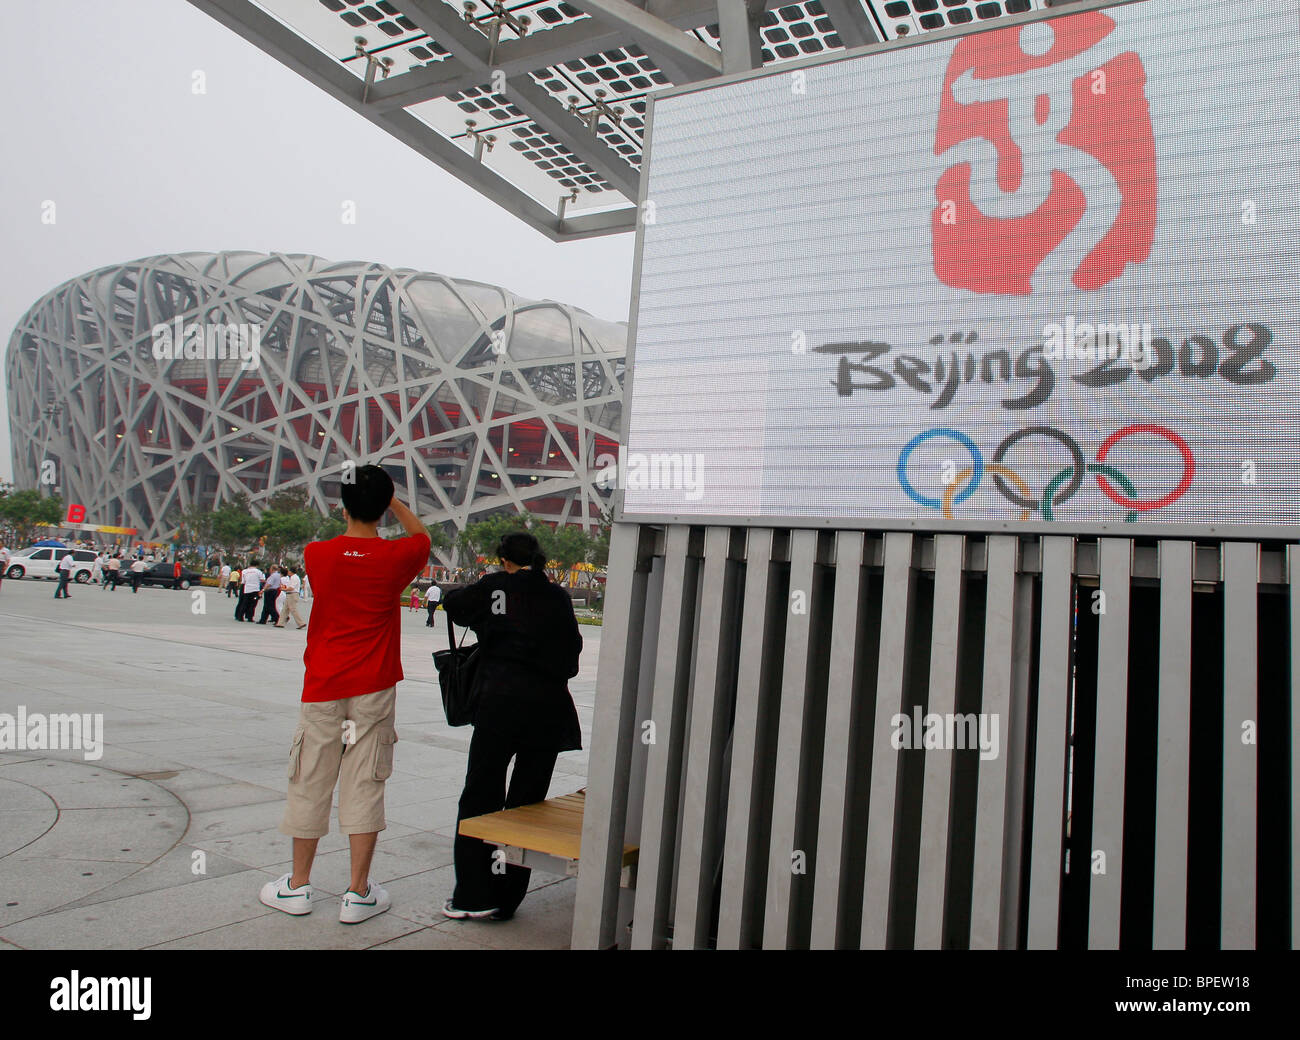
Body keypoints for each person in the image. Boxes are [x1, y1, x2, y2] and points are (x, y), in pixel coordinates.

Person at [259, 465, 429, 924]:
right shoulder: (398, 558)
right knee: (365, 783)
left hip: (323, 686)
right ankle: (357, 894)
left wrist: (372, 499)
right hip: (373, 688)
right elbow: (422, 535)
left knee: (310, 778)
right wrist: (391, 500)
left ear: (341, 506)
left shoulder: (319, 554)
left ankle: (297, 887)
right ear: (384, 508)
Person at [441, 531, 582, 921]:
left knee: (480, 794)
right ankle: (507, 897)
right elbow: (571, 658)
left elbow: (454, 604)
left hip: (498, 706)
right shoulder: (557, 597)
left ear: (504, 559)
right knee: (527, 804)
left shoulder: (493, 588)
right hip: (547, 711)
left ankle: (472, 895)